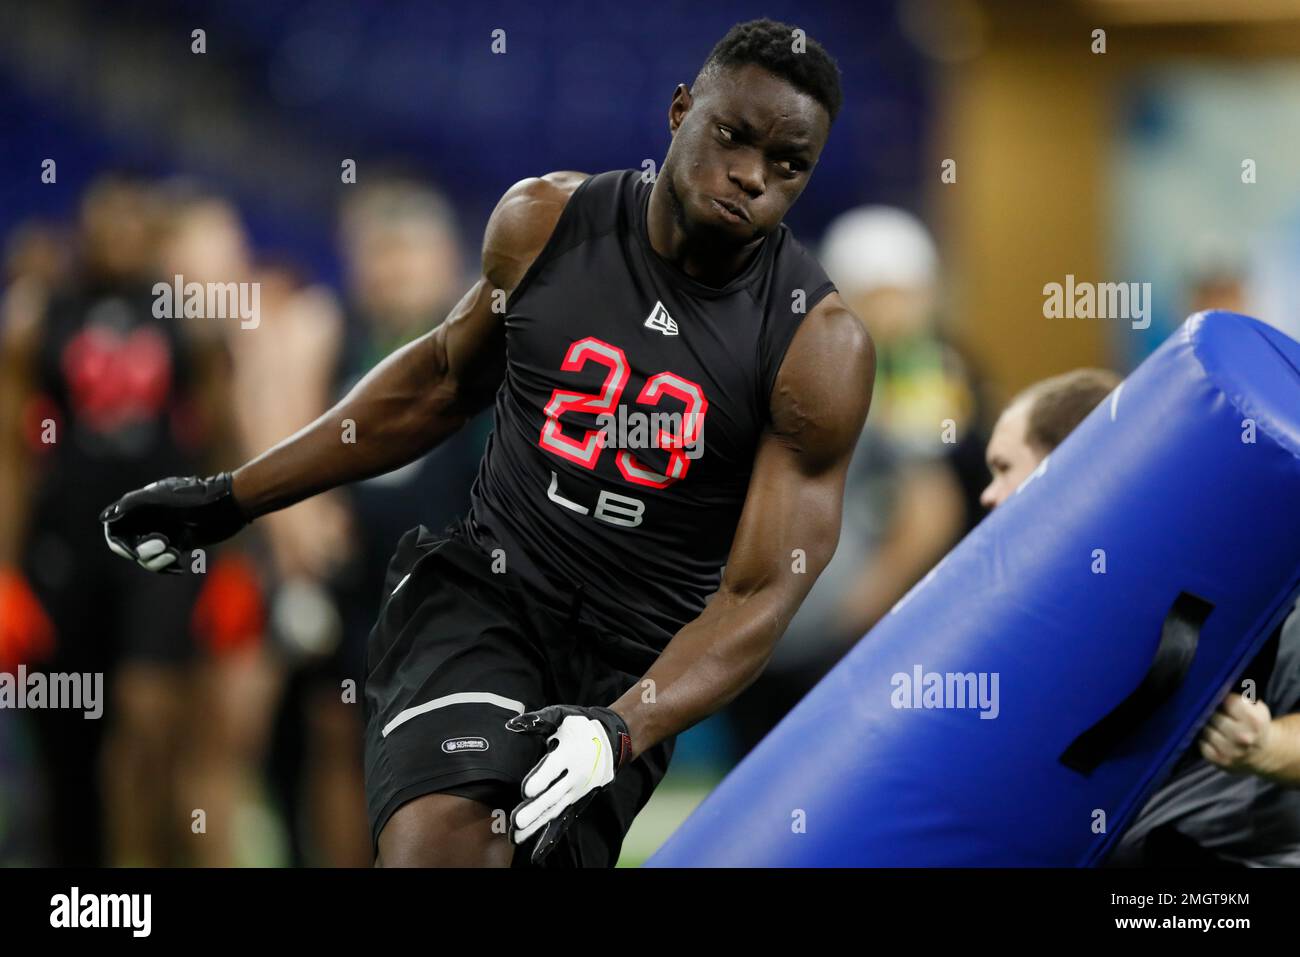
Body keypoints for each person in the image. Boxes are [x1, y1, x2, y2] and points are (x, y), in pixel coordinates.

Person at [97, 18, 875, 868]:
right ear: (680, 109)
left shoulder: (818, 346)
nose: (751, 176)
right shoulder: (547, 222)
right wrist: (235, 495)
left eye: (787, 164)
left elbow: (762, 591)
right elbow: (435, 383)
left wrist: (623, 726)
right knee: (443, 846)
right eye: (733, 136)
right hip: (487, 601)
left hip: (634, 664)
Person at [981, 367, 1300, 867]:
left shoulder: (1248, 585)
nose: (987, 495)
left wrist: (1263, 745)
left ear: (1066, 465)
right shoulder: (1042, 607)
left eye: (1003, 469)